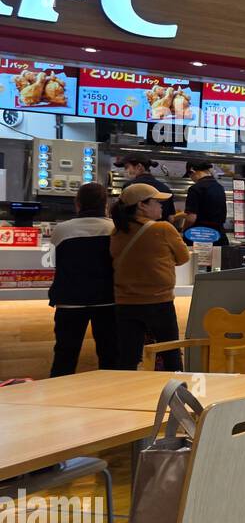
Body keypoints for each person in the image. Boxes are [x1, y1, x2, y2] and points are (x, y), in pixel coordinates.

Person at [110, 182, 191, 371]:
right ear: (141, 205)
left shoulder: (117, 231)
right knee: (170, 354)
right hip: (159, 302)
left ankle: (127, 389)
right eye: (156, 202)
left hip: (125, 303)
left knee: (128, 359)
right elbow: (183, 257)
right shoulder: (163, 229)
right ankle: (174, 389)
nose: (161, 206)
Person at [47, 182, 117, 376]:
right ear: (105, 204)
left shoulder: (61, 229)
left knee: (65, 355)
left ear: (78, 203)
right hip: (107, 298)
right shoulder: (114, 228)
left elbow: (51, 261)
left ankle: (60, 393)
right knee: (110, 354)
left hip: (70, 299)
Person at [176, 161, 229, 246]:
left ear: (192, 171)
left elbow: (191, 218)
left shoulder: (195, 189)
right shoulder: (219, 187)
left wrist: (183, 231)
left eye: (190, 175)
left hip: (200, 237)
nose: (191, 179)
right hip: (219, 236)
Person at [117, 156, 176, 220]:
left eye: (126, 167)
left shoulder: (129, 188)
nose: (125, 171)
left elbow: (121, 214)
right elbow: (171, 218)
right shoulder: (166, 188)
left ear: (139, 166)